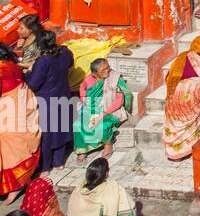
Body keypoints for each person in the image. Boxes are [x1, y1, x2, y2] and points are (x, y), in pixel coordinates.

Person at [25, 30, 74, 175]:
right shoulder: (65, 52)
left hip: (46, 99)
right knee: (61, 128)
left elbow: (33, 84)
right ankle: (58, 162)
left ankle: (45, 167)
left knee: (47, 134)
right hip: (63, 94)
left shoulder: (43, 61)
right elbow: (70, 64)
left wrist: (29, 71)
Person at [162, 36, 200, 161]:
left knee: (175, 120)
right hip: (191, 92)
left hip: (175, 90)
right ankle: (187, 149)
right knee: (189, 120)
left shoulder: (182, 56)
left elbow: (170, 74)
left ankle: (173, 153)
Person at [72, 58, 132, 162]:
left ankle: (108, 145)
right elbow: (83, 95)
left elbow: (119, 100)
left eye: (108, 67)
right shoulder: (88, 80)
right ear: (95, 73)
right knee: (78, 124)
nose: (107, 70)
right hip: (92, 109)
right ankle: (83, 149)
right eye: (103, 70)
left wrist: (104, 113)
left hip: (111, 110)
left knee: (102, 124)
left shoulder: (114, 78)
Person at [0, 53, 40, 203]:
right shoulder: (9, 63)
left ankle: (17, 185)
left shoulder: (2, 68)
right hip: (19, 98)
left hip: (13, 101)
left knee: (11, 140)